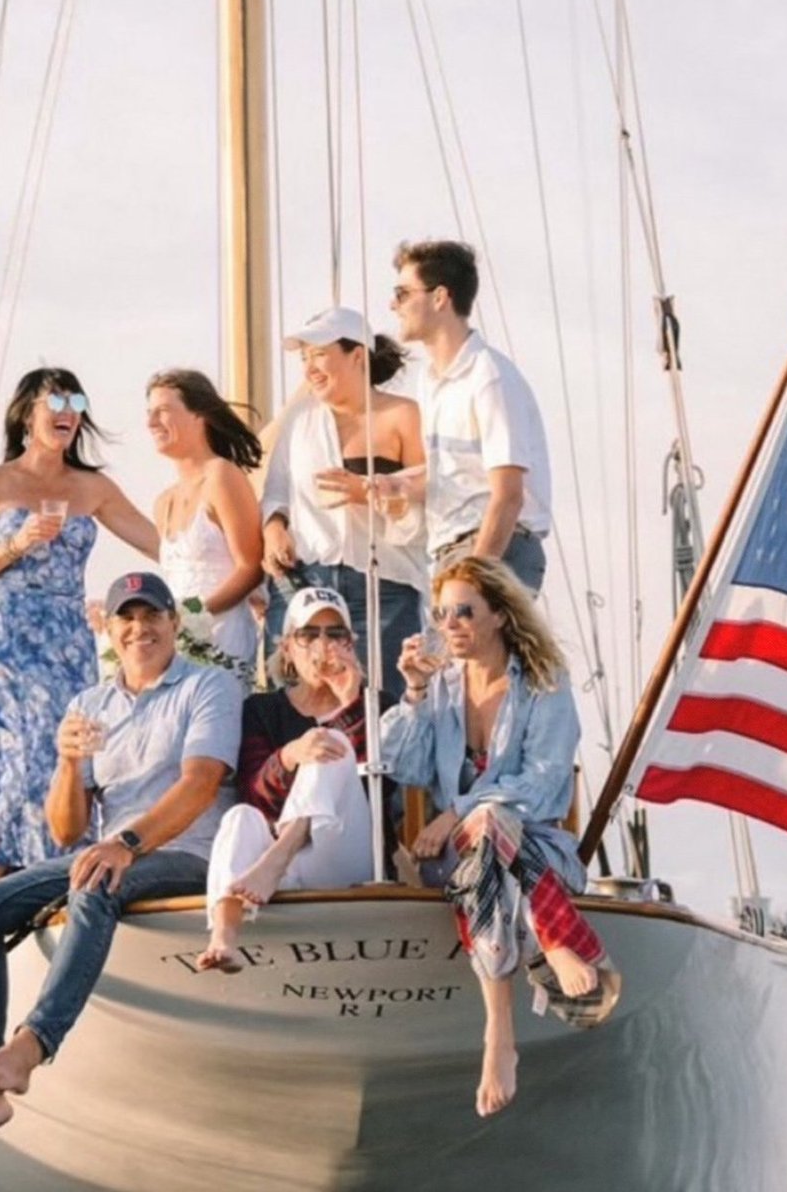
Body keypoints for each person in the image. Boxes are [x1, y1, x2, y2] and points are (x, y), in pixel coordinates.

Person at [0, 571, 240, 1177]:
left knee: (96, 881)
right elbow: (68, 830)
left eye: (151, 615)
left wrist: (127, 842)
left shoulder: (209, 687)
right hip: (107, 852)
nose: (138, 628)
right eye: (126, 617)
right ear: (110, 629)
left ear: (174, 623)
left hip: (192, 852)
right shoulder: (88, 704)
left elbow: (201, 785)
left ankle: (29, 1047)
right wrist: (69, 764)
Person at [382, 556, 616, 1118]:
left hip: (539, 847)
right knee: (486, 827)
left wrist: (460, 811)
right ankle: (553, 936)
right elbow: (402, 767)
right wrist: (412, 693)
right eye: (441, 613)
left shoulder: (544, 686)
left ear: (499, 617)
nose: (451, 623)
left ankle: (498, 1032)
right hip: (452, 863)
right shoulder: (439, 690)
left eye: (464, 611)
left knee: (494, 823)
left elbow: (544, 783)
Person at [0, 367, 161, 882]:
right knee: (7, 772)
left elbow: (164, 547)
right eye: (56, 401)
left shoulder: (92, 488)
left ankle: (48, 894)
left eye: (77, 400)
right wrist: (16, 545)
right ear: (28, 412)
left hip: (64, 643)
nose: (68, 411)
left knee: (60, 760)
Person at [196, 585, 380, 972]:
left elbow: (384, 790)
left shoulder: (377, 704)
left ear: (351, 643)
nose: (323, 645)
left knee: (329, 741)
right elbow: (253, 793)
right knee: (238, 818)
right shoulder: (262, 709)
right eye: (309, 635)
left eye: (335, 634)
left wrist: (349, 708)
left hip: (344, 852)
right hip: (274, 857)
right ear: (288, 649)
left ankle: (279, 858)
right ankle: (224, 935)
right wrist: (291, 755)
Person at [261, 306, 427, 691]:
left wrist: (368, 489)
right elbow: (277, 491)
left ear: (356, 355)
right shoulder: (299, 421)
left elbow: (430, 488)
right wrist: (273, 530)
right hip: (305, 577)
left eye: (319, 354)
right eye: (305, 358)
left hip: (381, 584)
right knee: (292, 700)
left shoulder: (402, 414)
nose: (310, 368)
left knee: (380, 703)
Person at [388, 239, 551, 593]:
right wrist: (397, 484)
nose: (393, 305)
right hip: (453, 551)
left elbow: (509, 494)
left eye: (402, 294)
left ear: (439, 297)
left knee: (475, 650)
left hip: (494, 549)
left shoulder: (488, 376)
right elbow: (461, 477)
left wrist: (475, 578)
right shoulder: (430, 381)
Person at [149, 369, 264, 683]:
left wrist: (195, 613)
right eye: (149, 414)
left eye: (162, 411)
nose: (151, 423)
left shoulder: (222, 476)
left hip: (221, 635)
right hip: (175, 644)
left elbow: (251, 567)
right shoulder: (163, 501)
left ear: (199, 415)